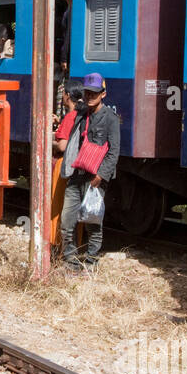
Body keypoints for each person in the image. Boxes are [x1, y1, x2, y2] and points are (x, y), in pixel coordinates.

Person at [54, 73, 120, 268]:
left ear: (103, 94)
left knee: (92, 221)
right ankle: (71, 261)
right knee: (67, 222)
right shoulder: (81, 113)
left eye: (94, 93)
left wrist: (101, 175)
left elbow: (114, 150)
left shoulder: (110, 118)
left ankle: (91, 261)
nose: (90, 96)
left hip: (95, 178)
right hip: (77, 174)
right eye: (88, 92)